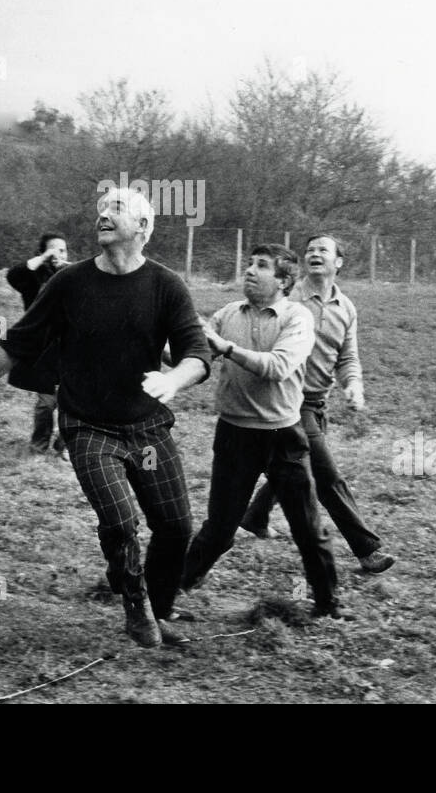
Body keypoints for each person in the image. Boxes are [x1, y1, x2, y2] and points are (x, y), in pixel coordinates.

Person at [0, 188, 210, 648]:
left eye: (117, 209)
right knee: (122, 519)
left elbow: (197, 353)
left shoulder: (166, 284)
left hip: (147, 428)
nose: (104, 215)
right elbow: (16, 343)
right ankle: (135, 606)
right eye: (101, 210)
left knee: (174, 525)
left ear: (144, 228)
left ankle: (161, 607)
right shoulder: (70, 283)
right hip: (88, 426)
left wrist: (174, 382)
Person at [180, 244, 354, 621]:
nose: (250, 271)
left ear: (284, 280)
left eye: (261, 266)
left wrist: (225, 346)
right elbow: (198, 359)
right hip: (234, 435)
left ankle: (328, 604)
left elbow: (277, 367)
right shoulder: (227, 314)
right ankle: (173, 587)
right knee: (219, 529)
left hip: (283, 437)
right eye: (249, 264)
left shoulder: (298, 318)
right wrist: (169, 343)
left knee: (308, 529)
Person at [240, 234, 395, 574]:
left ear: (338, 262)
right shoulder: (289, 300)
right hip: (288, 402)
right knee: (327, 477)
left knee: (294, 467)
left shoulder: (346, 308)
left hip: (317, 402)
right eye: (309, 250)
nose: (314, 254)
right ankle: (367, 550)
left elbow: (347, 357)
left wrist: (354, 386)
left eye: (323, 250)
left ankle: (254, 517)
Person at [5, 232, 68, 454]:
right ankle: (38, 447)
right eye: (52, 250)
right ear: (42, 253)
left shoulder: (72, 276)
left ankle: (64, 445)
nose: (58, 255)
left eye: (62, 250)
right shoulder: (32, 279)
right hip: (42, 350)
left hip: (70, 348)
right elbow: (14, 274)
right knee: (46, 404)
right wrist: (45, 258)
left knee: (71, 403)